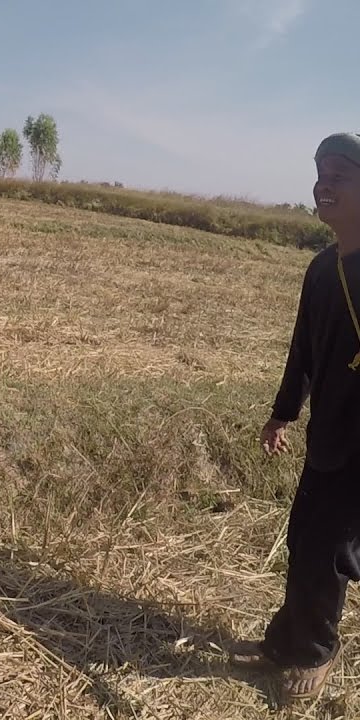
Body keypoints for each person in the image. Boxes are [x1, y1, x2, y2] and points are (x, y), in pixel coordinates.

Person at [233, 132, 360, 700]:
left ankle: (314, 651)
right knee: (304, 537)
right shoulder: (321, 268)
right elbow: (303, 350)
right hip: (328, 435)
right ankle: (286, 640)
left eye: (340, 175)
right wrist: (282, 413)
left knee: (327, 548)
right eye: (320, 174)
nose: (323, 184)